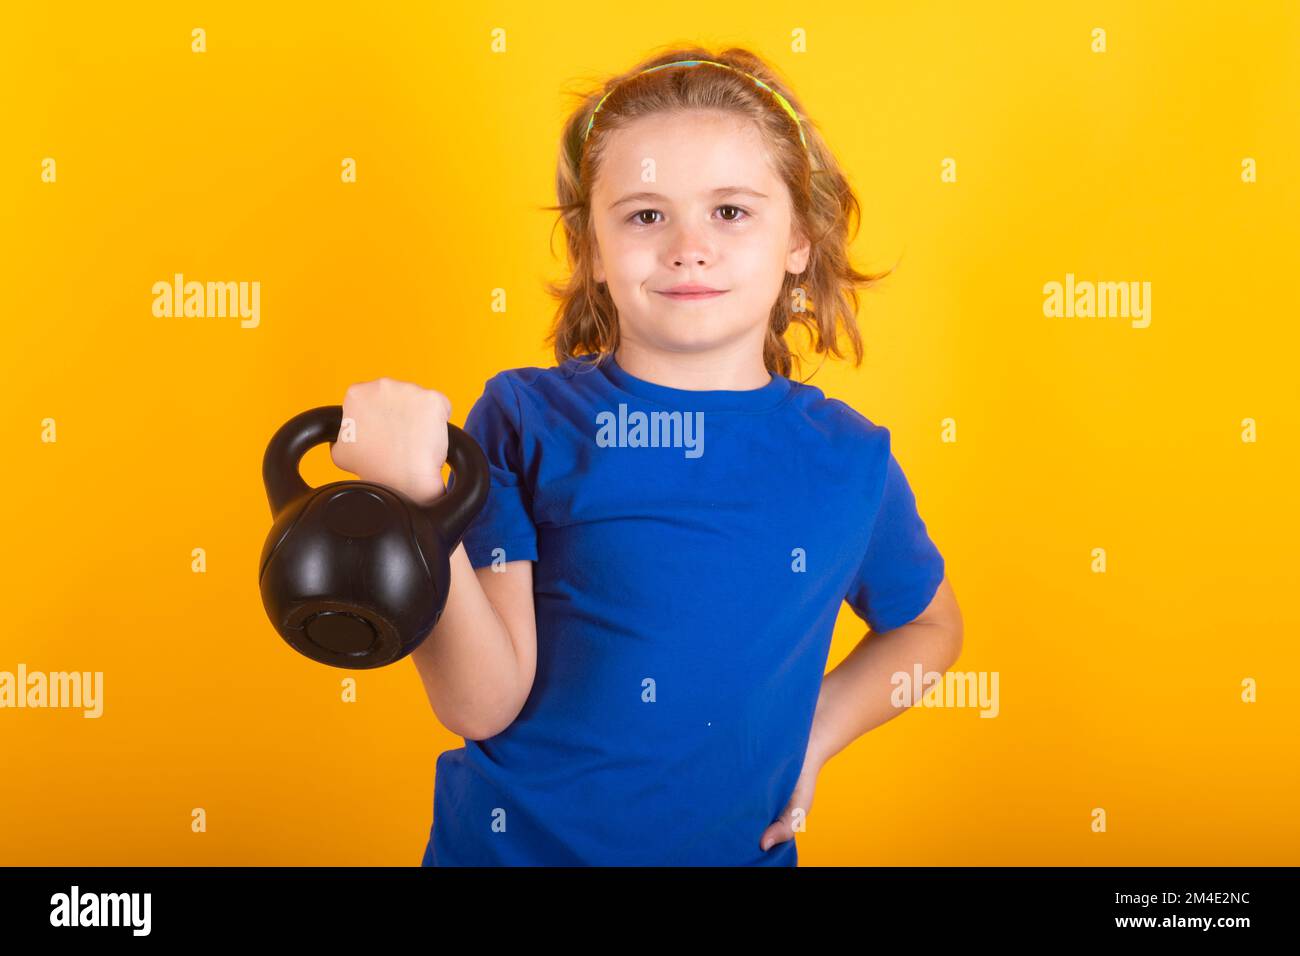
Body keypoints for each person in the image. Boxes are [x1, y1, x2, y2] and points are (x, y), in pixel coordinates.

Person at [332, 46, 964, 866]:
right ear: (591, 249)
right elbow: (480, 704)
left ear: (800, 239)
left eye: (731, 212)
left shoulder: (850, 460)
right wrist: (419, 507)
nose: (688, 247)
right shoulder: (523, 420)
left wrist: (816, 735)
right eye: (644, 215)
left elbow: (930, 625)